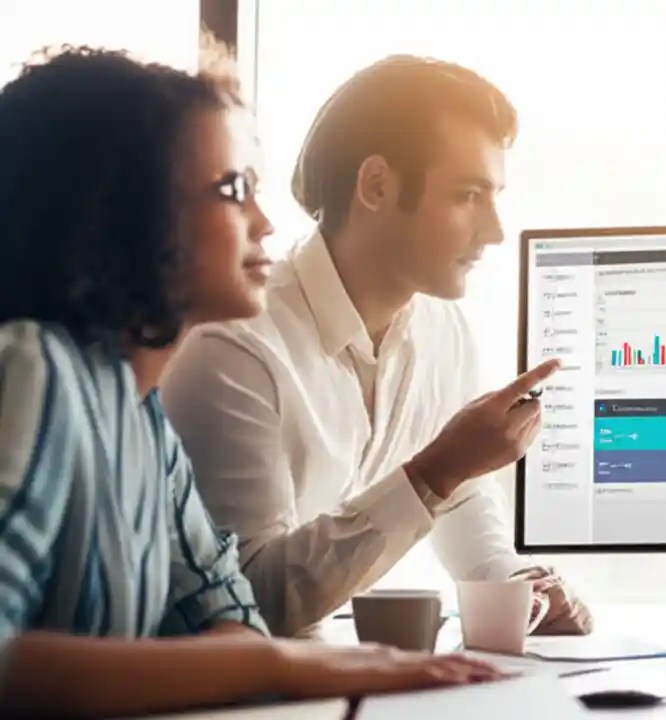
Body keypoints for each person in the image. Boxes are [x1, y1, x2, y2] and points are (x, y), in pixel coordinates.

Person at [0, 45, 504, 717]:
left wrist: (305, 662)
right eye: (233, 190)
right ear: (119, 212)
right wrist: (282, 663)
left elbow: (232, 613)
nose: (265, 223)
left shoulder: (139, 416)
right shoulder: (36, 371)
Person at [161, 55, 592, 637]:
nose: (493, 231)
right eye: (468, 195)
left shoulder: (443, 328)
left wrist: (513, 583)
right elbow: (247, 600)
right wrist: (436, 471)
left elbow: (459, 497)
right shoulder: (235, 345)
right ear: (377, 186)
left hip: (315, 671)